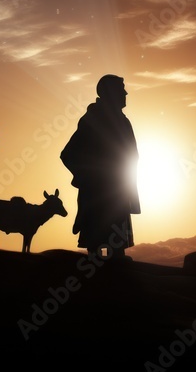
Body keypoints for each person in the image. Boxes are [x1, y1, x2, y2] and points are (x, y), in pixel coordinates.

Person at [60, 74, 141, 260]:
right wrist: (88, 177)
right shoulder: (93, 120)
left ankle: (117, 264)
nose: (126, 93)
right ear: (110, 93)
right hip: (98, 194)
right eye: (121, 90)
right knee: (95, 246)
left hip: (119, 192)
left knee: (117, 250)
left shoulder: (123, 121)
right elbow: (68, 154)